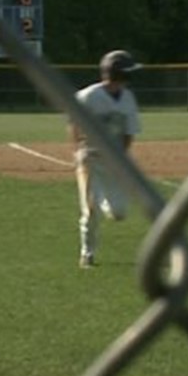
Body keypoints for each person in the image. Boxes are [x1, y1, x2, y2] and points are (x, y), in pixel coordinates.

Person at [68, 49, 143, 269]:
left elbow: (129, 132)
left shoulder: (128, 98)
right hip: (90, 157)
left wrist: (123, 156)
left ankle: (103, 201)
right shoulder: (88, 96)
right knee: (90, 210)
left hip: (113, 160)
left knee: (118, 213)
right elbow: (73, 122)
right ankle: (87, 254)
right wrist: (77, 150)